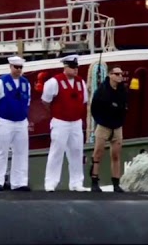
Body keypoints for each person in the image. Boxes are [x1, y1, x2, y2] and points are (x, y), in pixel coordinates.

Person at [42, 54, 89, 192]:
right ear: (65, 67)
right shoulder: (54, 82)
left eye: (77, 67)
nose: (76, 70)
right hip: (60, 122)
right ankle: (51, 182)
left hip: (76, 122)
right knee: (56, 151)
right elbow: (46, 101)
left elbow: (84, 101)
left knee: (77, 151)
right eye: (73, 67)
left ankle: (76, 182)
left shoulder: (81, 82)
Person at [0, 55, 31, 191]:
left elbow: (27, 100)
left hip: (21, 121)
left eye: (20, 67)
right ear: (10, 67)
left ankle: (19, 182)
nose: (18, 70)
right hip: (5, 120)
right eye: (16, 67)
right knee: (2, 151)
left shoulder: (25, 83)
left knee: (21, 152)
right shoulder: (1, 82)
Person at [90, 65, 129, 192]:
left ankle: (116, 183)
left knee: (116, 154)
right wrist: (100, 120)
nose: (120, 77)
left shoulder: (122, 91)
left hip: (117, 126)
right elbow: (94, 108)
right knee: (98, 153)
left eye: (121, 74)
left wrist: (120, 119)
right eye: (117, 74)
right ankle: (94, 181)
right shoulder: (102, 91)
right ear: (110, 75)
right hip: (103, 125)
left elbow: (125, 106)